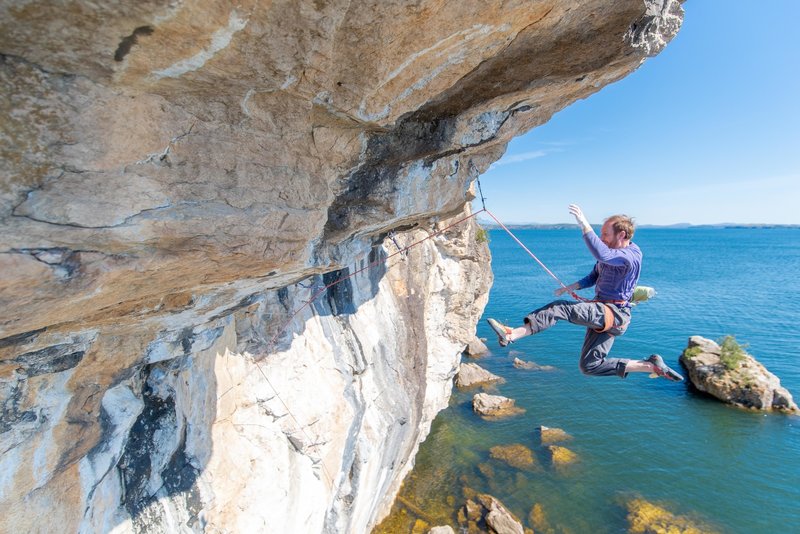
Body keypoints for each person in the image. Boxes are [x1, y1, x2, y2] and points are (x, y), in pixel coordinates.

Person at [486, 204, 683, 381]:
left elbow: (602, 254)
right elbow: (595, 275)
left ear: (621, 235)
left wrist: (583, 223)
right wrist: (572, 287)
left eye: (605, 234)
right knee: (589, 366)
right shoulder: (613, 255)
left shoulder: (629, 256)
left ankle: (511, 334)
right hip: (606, 312)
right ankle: (649, 366)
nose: (601, 238)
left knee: (559, 309)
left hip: (614, 313)